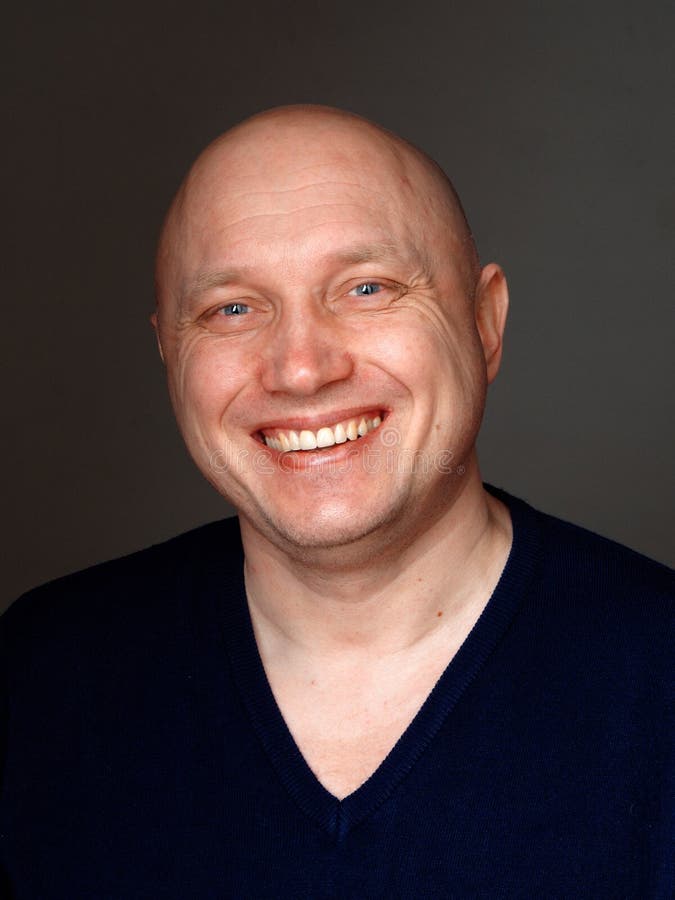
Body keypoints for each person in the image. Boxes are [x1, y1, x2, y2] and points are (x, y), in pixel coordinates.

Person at [1, 105, 672, 899]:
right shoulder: (41, 675)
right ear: (168, 351)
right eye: (233, 308)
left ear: (484, 323)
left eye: (365, 287)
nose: (298, 368)